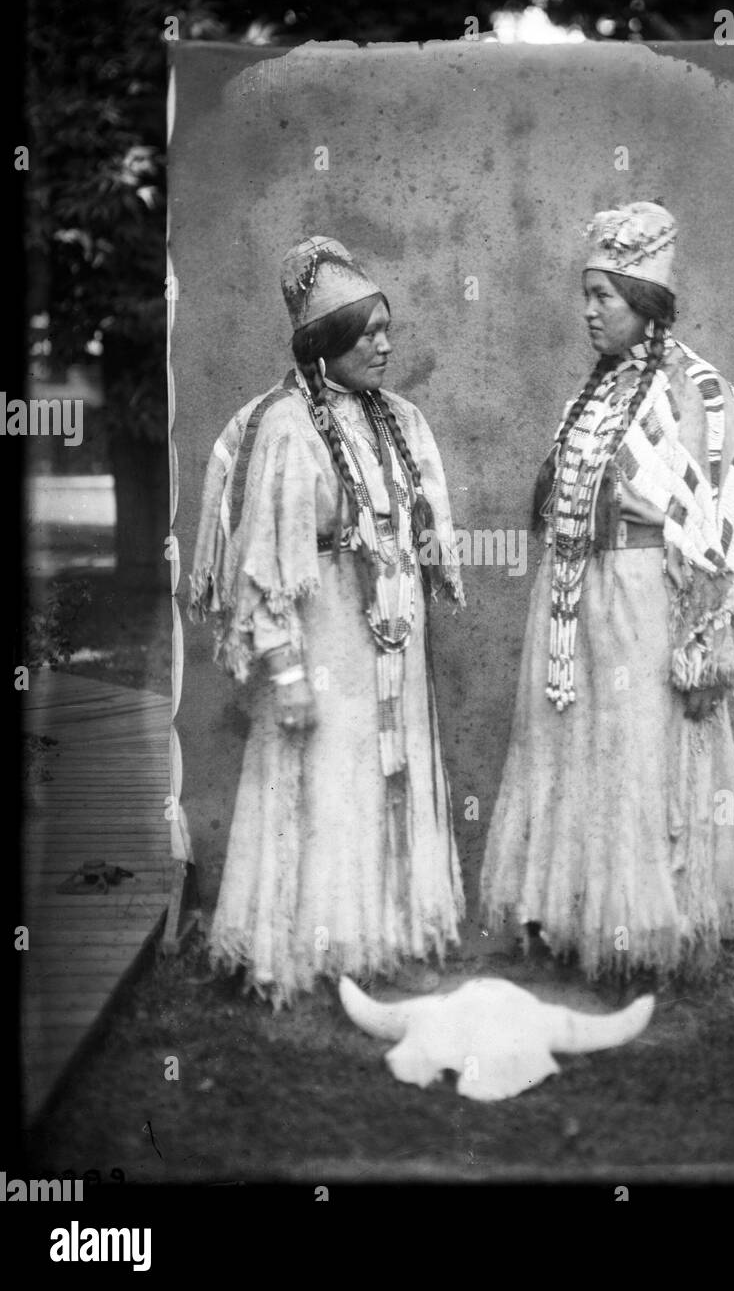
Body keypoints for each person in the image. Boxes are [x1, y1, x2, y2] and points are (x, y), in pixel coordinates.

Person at [480, 202, 734, 981]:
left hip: (645, 601)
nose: (587, 310)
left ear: (643, 302)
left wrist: (703, 631)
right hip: (575, 601)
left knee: (639, 757)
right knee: (575, 749)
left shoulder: (697, 393)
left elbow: (715, 517)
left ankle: (647, 925)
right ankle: (578, 917)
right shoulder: (593, 396)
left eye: (602, 296)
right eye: (587, 293)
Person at [189, 234, 466, 1007]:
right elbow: (265, 568)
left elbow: (414, 529)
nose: (385, 343)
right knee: (329, 782)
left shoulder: (399, 421)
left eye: (386, 327)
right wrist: (285, 671)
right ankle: (311, 949)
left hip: (387, 634)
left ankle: (377, 943)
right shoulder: (286, 428)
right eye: (367, 332)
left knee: (387, 776)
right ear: (326, 344)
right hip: (324, 638)